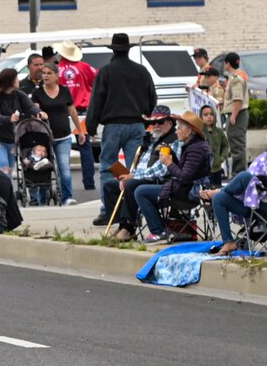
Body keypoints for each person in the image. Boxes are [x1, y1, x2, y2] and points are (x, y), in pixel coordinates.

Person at [86, 30, 157, 221]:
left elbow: (96, 100)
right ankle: (135, 208)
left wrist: (90, 126)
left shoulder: (106, 72)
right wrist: (145, 116)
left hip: (113, 125)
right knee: (135, 169)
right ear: (128, 50)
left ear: (113, 51)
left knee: (110, 166)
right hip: (136, 125)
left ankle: (109, 210)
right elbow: (152, 97)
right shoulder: (141, 71)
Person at [203, 125, 267, 254]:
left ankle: (220, 190)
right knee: (219, 199)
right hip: (257, 203)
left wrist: (256, 178)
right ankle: (228, 242)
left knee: (246, 177)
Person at [100, 107, 178, 238]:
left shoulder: (173, 140)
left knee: (131, 184)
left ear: (170, 123)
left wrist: (133, 176)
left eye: (161, 122)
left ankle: (129, 227)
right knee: (109, 185)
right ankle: (122, 224)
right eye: (154, 123)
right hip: (144, 178)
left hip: (161, 181)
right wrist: (128, 174)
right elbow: (141, 166)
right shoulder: (153, 141)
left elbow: (163, 169)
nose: (156, 126)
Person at [133, 111, 211, 243]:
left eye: (179, 128)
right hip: (187, 188)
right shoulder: (193, 145)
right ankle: (160, 229)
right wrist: (172, 156)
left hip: (190, 192)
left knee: (141, 191)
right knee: (141, 188)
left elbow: (184, 177)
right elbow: (184, 170)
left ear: (189, 131)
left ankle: (159, 231)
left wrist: (169, 163)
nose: (176, 131)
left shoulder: (196, 149)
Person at [31, 65, 80, 204]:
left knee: (64, 168)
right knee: (44, 168)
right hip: (45, 137)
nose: (45, 76)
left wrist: (80, 131)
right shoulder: (38, 92)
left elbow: (72, 111)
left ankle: (67, 197)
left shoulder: (64, 91)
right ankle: (42, 199)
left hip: (63, 136)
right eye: (43, 73)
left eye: (49, 73)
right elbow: (36, 111)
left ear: (56, 75)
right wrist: (39, 115)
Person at [55, 40, 100, 191]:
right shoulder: (84, 67)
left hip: (61, 112)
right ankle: (89, 183)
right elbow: (98, 80)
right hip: (81, 112)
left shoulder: (57, 70)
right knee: (85, 147)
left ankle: (65, 184)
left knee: (62, 146)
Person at [0, 67, 35, 174]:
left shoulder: (19, 94)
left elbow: (30, 106)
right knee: (4, 168)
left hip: (11, 140)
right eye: (16, 78)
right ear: (10, 81)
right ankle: (5, 190)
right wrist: (9, 119)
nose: (18, 81)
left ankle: (1, 189)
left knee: (9, 171)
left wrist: (39, 112)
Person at [222, 52, 250, 174]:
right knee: (236, 144)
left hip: (238, 114)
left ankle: (238, 173)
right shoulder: (235, 78)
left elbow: (238, 100)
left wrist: (233, 116)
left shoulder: (235, 79)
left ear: (228, 64)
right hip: (238, 113)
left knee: (237, 145)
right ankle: (238, 173)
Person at [198, 104, 228, 183]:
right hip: (203, 171)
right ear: (201, 117)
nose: (209, 117)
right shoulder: (198, 132)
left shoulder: (219, 132)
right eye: (205, 115)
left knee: (217, 191)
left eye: (211, 114)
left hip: (217, 169)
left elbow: (225, 146)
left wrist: (221, 158)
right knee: (205, 192)